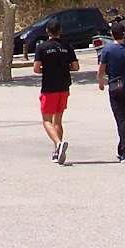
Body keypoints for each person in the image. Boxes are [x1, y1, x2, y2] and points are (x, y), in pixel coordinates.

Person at [32, 17, 78, 164]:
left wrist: (46, 69)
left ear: (47, 31)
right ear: (60, 31)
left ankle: (58, 143)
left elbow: (36, 68)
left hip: (49, 87)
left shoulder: (42, 47)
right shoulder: (67, 46)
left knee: (46, 120)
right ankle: (56, 151)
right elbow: (76, 67)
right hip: (64, 86)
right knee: (58, 119)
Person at [98, 21, 125, 162]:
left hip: (114, 87)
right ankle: (122, 148)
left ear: (112, 34)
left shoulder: (107, 50)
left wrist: (100, 81)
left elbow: (101, 68)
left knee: (121, 120)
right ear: (123, 34)